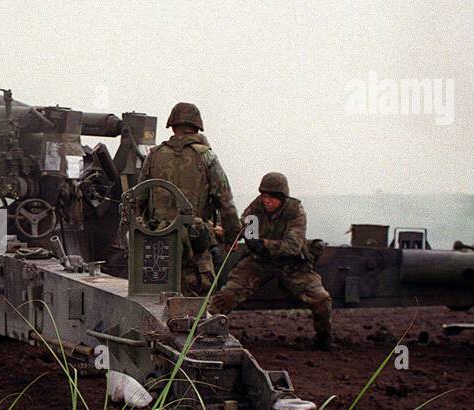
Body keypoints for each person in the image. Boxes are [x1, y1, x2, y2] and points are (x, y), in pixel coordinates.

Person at [209, 172, 334, 350]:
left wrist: (263, 243)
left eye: (272, 197)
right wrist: (227, 232)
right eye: (264, 196)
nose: (267, 201)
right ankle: (203, 332)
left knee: (322, 299)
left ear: (282, 198)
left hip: (292, 265)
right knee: (227, 295)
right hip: (260, 262)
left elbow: (292, 246)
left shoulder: (295, 211)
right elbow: (243, 227)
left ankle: (324, 338)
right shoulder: (257, 207)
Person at [136, 101, 241, 294]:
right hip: (195, 240)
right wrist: (232, 238)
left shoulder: (154, 155)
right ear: (196, 127)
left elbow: (138, 199)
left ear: (173, 126)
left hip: (158, 241)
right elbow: (226, 202)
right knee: (197, 298)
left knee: (155, 297)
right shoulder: (206, 156)